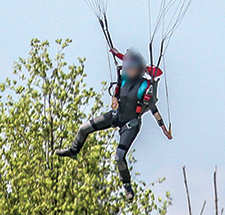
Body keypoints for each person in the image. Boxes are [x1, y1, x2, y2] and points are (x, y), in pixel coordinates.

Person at [54, 49, 172, 200]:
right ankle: (73, 150)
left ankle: (127, 186)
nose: (128, 70)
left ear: (139, 70)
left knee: (119, 157)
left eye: (132, 68)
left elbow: (153, 108)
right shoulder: (123, 79)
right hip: (115, 116)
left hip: (131, 124)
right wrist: (115, 99)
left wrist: (163, 128)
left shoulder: (144, 85)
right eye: (127, 67)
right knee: (84, 129)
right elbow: (116, 93)